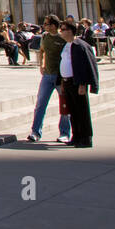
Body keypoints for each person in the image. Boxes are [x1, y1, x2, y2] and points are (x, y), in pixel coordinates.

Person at [26, 15, 71, 144]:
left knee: (64, 105)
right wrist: (41, 65)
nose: (44, 26)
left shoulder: (62, 38)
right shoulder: (45, 37)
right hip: (47, 75)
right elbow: (41, 51)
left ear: (53, 25)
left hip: (60, 76)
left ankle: (64, 133)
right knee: (40, 104)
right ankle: (35, 131)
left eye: (46, 24)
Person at [57, 20, 98, 148]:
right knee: (73, 111)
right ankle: (76, 136)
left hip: (77, 83)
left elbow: (87, 65)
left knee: (82, 111)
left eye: (63, 29)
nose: (61, 32)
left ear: (70, 31)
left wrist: (83, 84)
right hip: (67, 81)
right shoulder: (66, 45)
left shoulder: (80, 45)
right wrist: (62, 81)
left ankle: (86, 138)